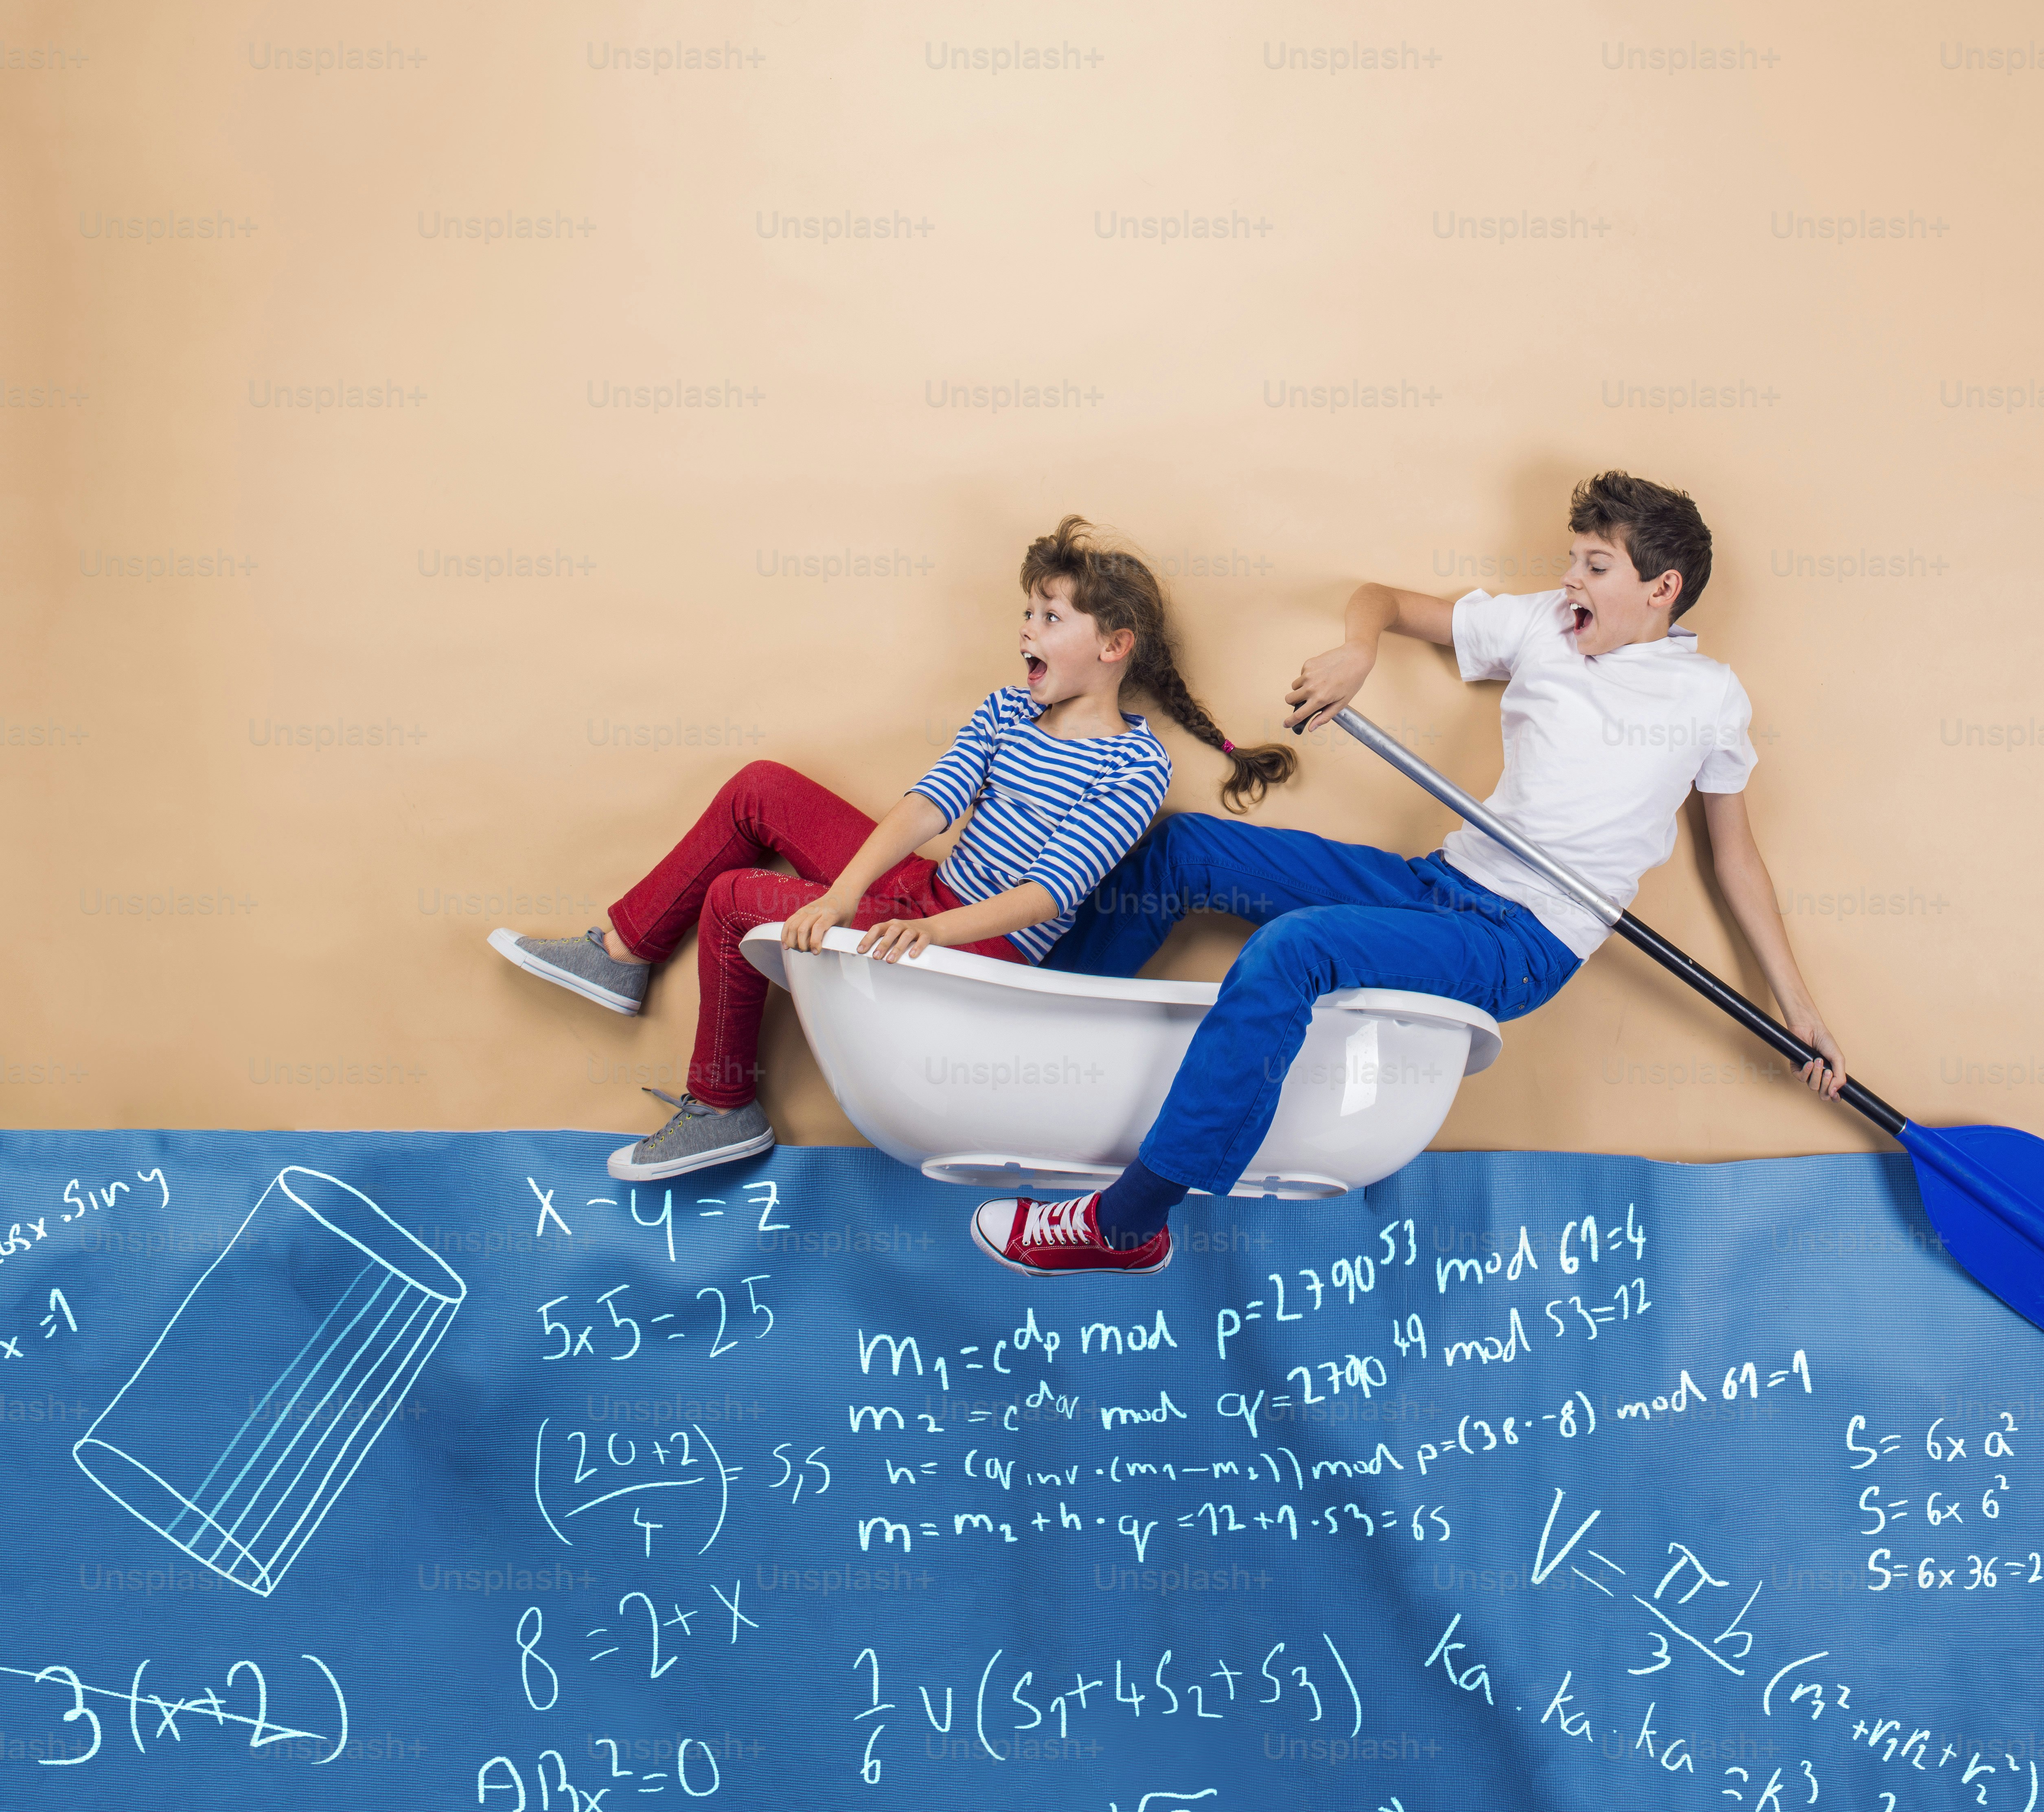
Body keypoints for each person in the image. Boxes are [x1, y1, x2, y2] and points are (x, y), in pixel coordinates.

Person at [971, 471, 1847, 1276]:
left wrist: (1797, 1009)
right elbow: (1380, 601)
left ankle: (1128, 1222)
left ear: (1661, 590)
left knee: (1296, 949)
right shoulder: (1543, 624)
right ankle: (1041, 1035)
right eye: (1572, 560)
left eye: (1596, 565)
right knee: (1186, 849)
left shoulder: (1709, 699)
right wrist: (1360, 649)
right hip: (1436, 884)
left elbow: (1732, 856)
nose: (1572, 579)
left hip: (1519, 940)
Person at [492, 518, 1293, 1181]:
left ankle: (723, 1105)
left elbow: (1055, 891)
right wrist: (842, 896)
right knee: (761, 787)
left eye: (1051, 618)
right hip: (929, 892)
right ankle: (621, 952)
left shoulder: (1134, 766)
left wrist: (934, 934)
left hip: (989, 951)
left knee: (737, 898)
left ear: (1113, 646)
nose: (1026, 630)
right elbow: (929, 803)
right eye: (1027, 614)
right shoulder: (1007, 709)